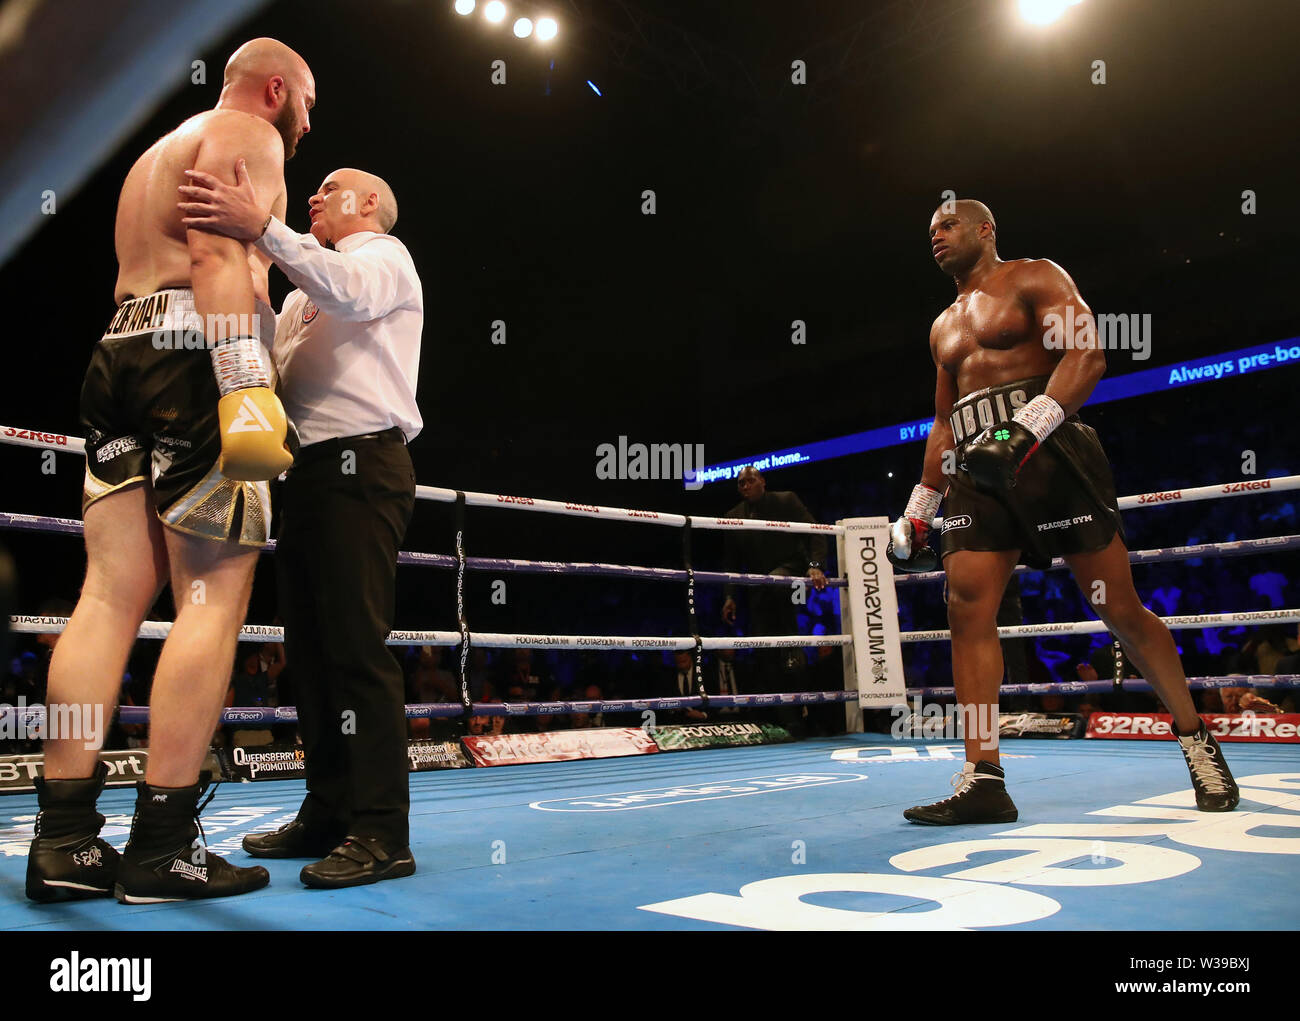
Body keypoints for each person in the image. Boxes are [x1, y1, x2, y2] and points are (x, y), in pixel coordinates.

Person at [26, 37, 312, 904]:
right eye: (306, 104)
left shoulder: (153, 154)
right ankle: (163, 844)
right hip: (197, 354)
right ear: (275, 91)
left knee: (107, 596)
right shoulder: (249, 137)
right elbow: (217, 257)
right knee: (210, 596)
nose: (306, 125)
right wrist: (243, 391)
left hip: (117, 352)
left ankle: (65, 839)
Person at [886, 198, 1238, 824]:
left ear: (984, 229)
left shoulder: (1033, 276)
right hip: (975, 463)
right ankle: (983, 778)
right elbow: (943, 421)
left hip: (1049, 455)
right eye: (930, 232)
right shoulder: (942, 325)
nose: (936, 238)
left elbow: (1087, 356)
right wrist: (920, 505)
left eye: (947, 226)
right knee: (965, 605)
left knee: (1117, 607)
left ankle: (1195, 738)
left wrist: (1026, 431)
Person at [179, 160, 423, 888]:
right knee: (309, 656)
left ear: (369, 201)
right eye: (309, 189)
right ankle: (328, 809)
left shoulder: (382, 259)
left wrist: (263, 226)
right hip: (308, 476)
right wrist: (247, 286)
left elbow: (344, 290)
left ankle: (383, 832)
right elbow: (272, 377)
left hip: (363, 467)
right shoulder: (300, 298)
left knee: (355, 648)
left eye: (329, 187)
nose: (313, 195)